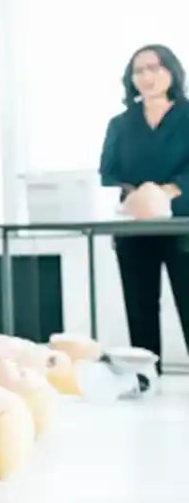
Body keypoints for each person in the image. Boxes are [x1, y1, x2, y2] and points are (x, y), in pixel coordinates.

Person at [100, 44, 189, 371]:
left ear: (172, 72)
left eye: (155, 67)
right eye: (139, 70)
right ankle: (145, 376)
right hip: (135, 227)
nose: (147, 76)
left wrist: (168, 191)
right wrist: (137, 194)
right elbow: (108, 173)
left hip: (182, 225)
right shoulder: (121, 124)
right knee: (140, 308)